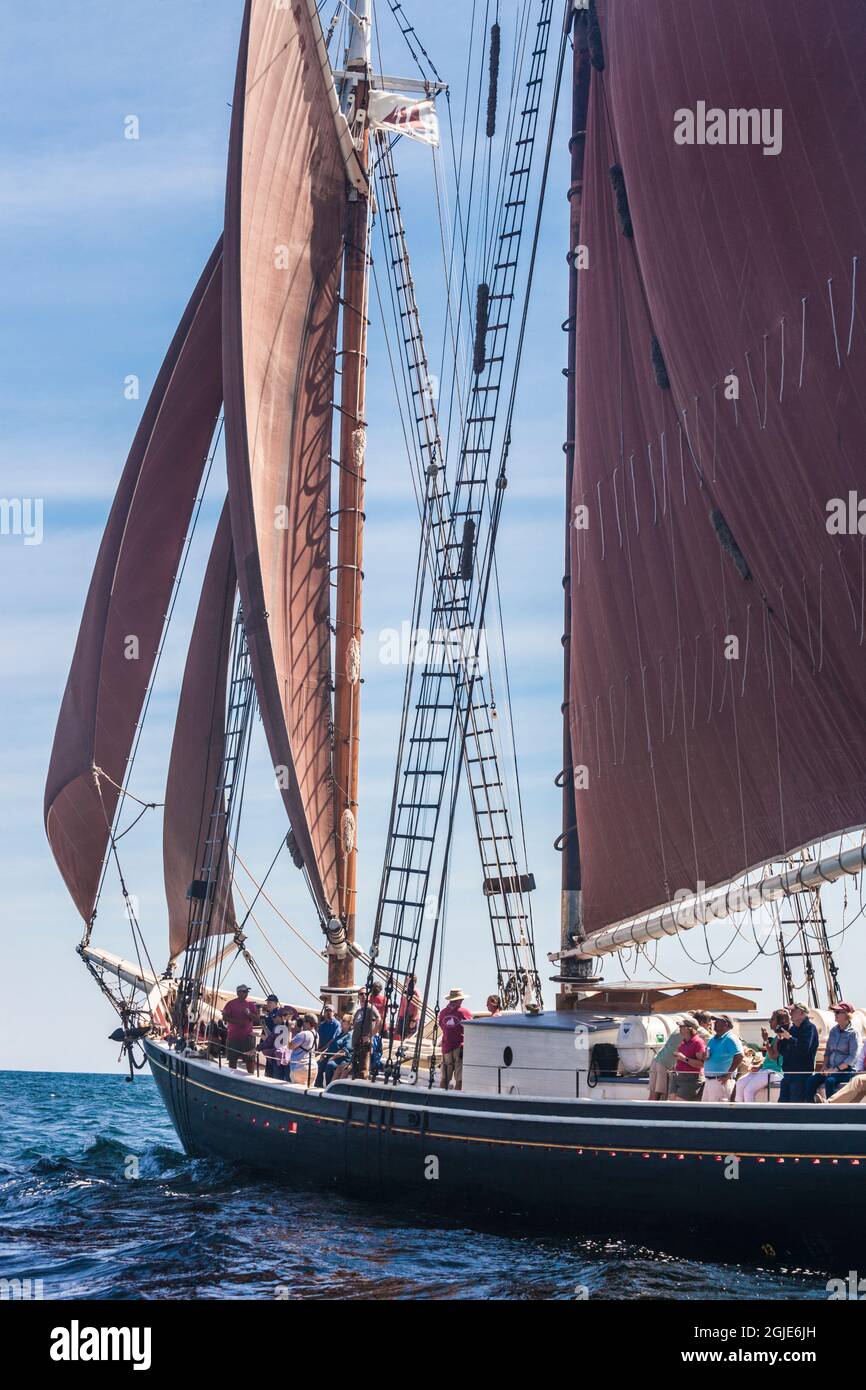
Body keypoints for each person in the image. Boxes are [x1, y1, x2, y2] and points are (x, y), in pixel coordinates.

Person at [734, 1009, 787, 1102]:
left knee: (748, 1091)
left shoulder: (781, 1037)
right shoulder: (776, 1037)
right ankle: (740, 1112)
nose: (770, 1021)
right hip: (765, 1070)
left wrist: (766, 1040)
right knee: (740, 1083)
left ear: (779, 1022)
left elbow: (773, 1057)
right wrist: (760, 1066)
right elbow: (770, 1058)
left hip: (774, 1072)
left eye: (773, 1019)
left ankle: (750, 1115)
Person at [810, 1002, 860, 1100]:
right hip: (830, 1069)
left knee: (830, 1081)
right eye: (835, 1012)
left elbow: (853, 1057)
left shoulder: (854, 1033)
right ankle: (810, 1108)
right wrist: (824, 1066)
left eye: (838, 1012)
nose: (835, 1014)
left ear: (847, 1015)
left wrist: (836, 1069)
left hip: (846, 1071)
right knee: (811, 1081)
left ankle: (833, 1110)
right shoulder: (833, 1031)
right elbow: (828, 1051)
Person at [777, 1002, 819, 1102]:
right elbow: (782, 1051)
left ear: (801, 1013)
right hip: (788, 1074)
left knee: (794, 1107)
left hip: (801, 1075)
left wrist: (789, 1038)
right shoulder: (793, 1029)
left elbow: (804, 1050)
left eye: (793, 1011)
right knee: (781, 1107)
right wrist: (781, 1039)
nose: (790, 1013)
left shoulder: (810, 1028)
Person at [701, 1014, 743, 1101]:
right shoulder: (713, 1039)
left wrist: (728, 1075)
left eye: (717, 1021)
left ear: (726, 1024)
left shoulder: (731, 1038)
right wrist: (704, 1056)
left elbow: (739, 1056)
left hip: (721, 1082)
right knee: (706, 1113)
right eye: (714, 1020)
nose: (714, 1023)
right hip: (710, 1082)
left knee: (718, 1113)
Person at [438, 987, 473, 1090]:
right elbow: (471, 1028)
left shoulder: (443, 1012)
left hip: (446, 1047)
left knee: (444, 1078)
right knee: (459, 1078)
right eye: (461, 999)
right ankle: (456, 1098)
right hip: (459, 1048)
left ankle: (440, 1099)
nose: (462, 1001)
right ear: (459, 999)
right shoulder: (464, 1012)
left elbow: (442, 1026)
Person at [222, 984, 258, 1074]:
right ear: (238, 993)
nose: (246, 993)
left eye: (247, 992)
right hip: (233, 1037)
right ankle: (232, 1076)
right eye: (244, 991)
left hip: (248, 1037)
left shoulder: (250, 1004)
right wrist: (238, 1022)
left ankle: (251, 1077)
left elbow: (257, 1019)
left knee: (250, 1060)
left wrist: (249, 1014)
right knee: (232, 1059)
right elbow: (224, 1017)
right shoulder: (230, 1004)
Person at [669, 1016, 706, 1101]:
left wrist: (684, 1058)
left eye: (682, 1027)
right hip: (678, 1076)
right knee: (671, 1104)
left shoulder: (698, 1042)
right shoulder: (683, 1042)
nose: (679, 1028)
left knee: (680, 1105)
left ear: (689, 1029)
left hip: (691, 1078)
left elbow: (701, 1064)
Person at [351, 988, 380, 1079]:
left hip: (365, 1044)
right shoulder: (358, 1011)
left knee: (363, 1070)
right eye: (361, 994)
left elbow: (379, 1019)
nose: (363, 996)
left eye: (365, 994)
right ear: (358, 996)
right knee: (355, 1069)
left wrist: (370, 1036)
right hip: (357, 1044)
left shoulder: (370, 1007)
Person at [649, 1027, 681, 1100]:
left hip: (656, 1060)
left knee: (653, 1094)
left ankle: (647, 1110)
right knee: (662, 1096)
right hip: (664, 1065)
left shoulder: (677, 1029)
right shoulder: (695, 1029)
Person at [288, 1014, 318, 1087]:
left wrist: (289, 1030)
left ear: (308, 1023)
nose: (302, 1023)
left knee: (297, 1091)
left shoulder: (303, 1034)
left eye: (304, 1021)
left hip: (300, 1067)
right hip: (313, 1066)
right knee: (309, 1091)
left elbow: (290, 1046)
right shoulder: (316, 1034)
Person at [314, 1005, 341, 1086]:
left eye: (330, 1011)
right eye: (327, 1011)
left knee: (328, 1067)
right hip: (321, 1052)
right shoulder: (322, 1025)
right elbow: (318, 1037)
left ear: (334, 1013)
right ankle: (318, 1086)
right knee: (317, 1067)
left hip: (331, 1052)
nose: (328, 1013)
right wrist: (317, 1050)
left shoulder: (337, 1025)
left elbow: (332, 1040)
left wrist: (321, 1050)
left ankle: (328, 1087)